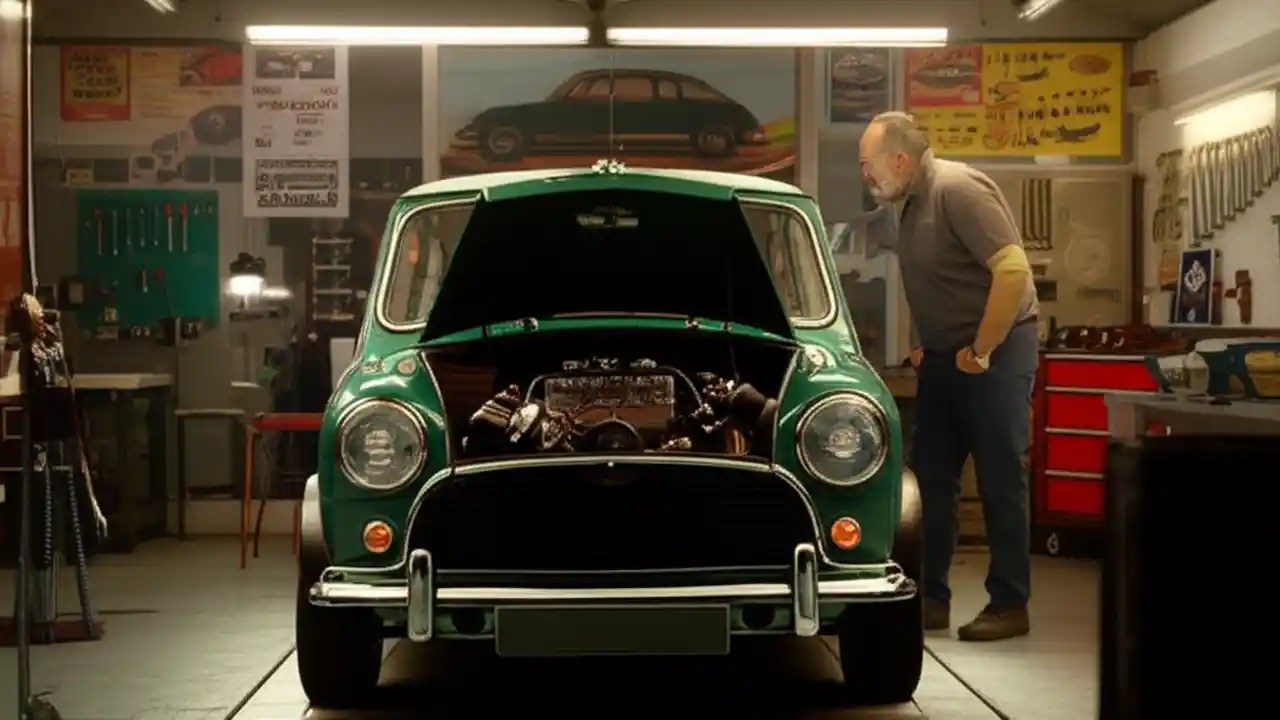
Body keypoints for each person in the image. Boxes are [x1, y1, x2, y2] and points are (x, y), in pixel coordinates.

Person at [858, 112, 1039, 642]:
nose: (865, 176)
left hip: (996, 352)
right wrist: (931, 342)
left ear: (899, 159)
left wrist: (982, 349)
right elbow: (941, 277)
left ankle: (1010, 604)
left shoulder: (958, 189)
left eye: (867, 166)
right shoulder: (909, 201)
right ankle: (929, 598)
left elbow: (1012, 271)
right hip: (946, 356)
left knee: (1002, 476)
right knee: (930, 479)